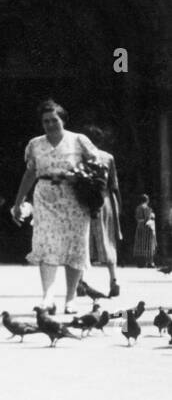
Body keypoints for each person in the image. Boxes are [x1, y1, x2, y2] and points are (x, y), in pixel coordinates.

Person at [10, 99, 98, 314]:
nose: (50, 124)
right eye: (45, 121)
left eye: (54, 120)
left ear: (63, 120)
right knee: (46, 244)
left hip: (74, 199)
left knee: (75, 247)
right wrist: (18, 201)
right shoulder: (35, 144)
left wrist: (72, 175)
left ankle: (71, 298)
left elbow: (97, 165)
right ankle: (48, 296)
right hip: (46, 197)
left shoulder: (78, 140)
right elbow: (30, 172)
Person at [83, 126, 122, 298]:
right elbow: (114, 186)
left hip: (84, 202)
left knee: (82, 241)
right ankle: (114, 280)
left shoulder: (79, 158)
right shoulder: (108, 157)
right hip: (104, 201)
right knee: (107, 240)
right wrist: (118, 208)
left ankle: (79, 282)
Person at [134, 193, 157, 267]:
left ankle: (140, 262)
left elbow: (137, 218)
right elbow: (148, 218)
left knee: (140, 245)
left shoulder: (138, 208)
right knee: (148, 245)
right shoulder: (147, 208)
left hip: (139, 227)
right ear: (147, 200)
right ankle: (150, 262)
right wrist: (152, 216)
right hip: (147, 228)